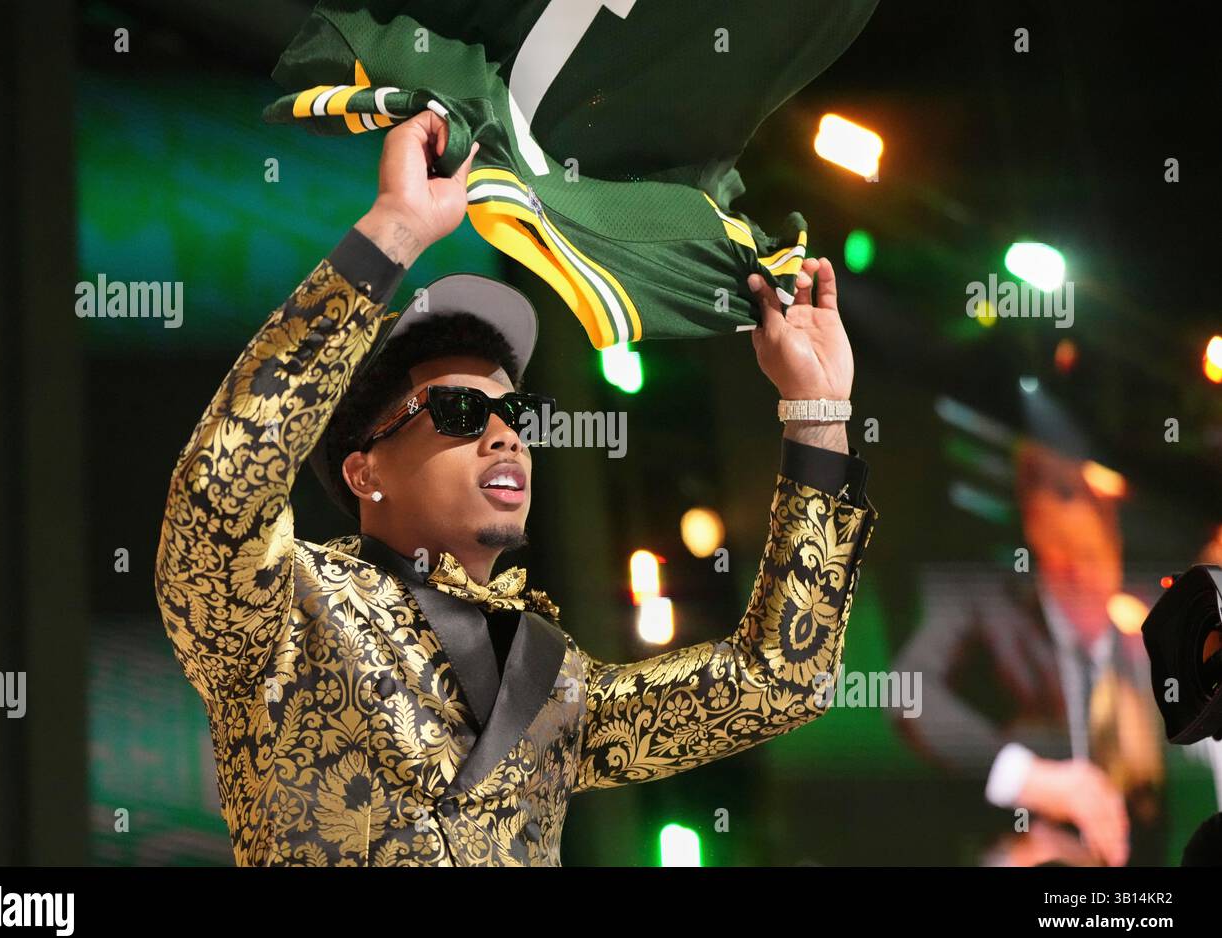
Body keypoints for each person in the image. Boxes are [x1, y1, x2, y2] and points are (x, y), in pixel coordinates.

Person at [154, 109, 877, 866]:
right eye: (462, 411)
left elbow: (781, 680)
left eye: (517, 413)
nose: (505, 435)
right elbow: (220, 485)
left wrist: (818, 413)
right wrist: (394, 232)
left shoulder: (555, 675)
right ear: (365, 471)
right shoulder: (280, 612)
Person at [893, 441, 1163, 866]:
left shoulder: (1137, 645)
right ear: (1039, 538)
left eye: (1098, 557)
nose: (1086, 577)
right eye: (1069, 556)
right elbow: (905, 692)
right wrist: (1030, 779)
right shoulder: (987, 604)